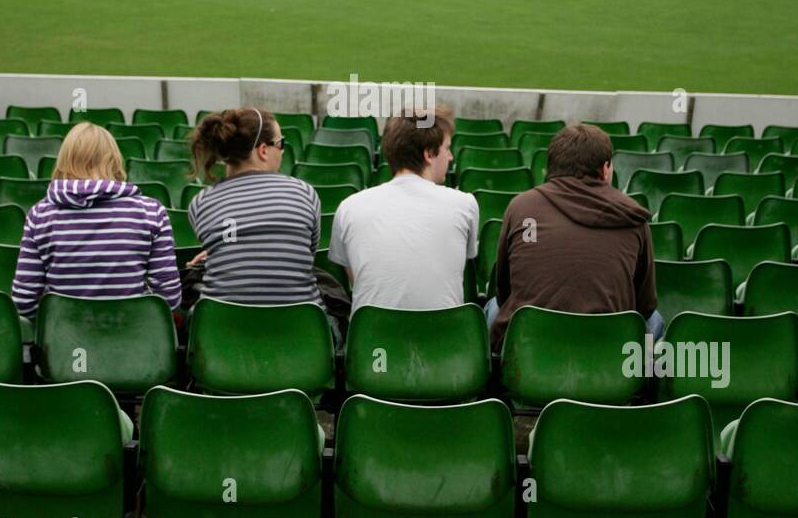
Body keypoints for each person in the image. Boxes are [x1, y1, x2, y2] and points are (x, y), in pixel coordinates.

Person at [488, 121, 661, 350]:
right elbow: (645, 305)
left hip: (529, 349)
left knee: (492, 307)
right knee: (655, 320)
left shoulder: (521, 207)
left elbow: (504, 291)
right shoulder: (633, 217)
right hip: (608, 355)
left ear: (551, 167)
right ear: (606, 168)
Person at [12, 121, 181, 317]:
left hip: (64, 343)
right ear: (115, 159)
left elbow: (23, 302)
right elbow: (169, 298)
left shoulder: (39, 215)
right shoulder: (151, 211)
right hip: (135, 341)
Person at [328, 110, 478, 311]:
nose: (450, 157)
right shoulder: (465, 204)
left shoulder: (349, 207)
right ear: (429, 153)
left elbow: (359, 279)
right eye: (446, 149)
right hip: (443, 339)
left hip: (372, 339)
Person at [187, 108, 322, 305]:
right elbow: (303, 253)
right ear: (263, 150)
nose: (282, 150)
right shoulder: (304, 193)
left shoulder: (201, 203)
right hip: (302, 330)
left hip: (220, 331)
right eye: (280, 144)